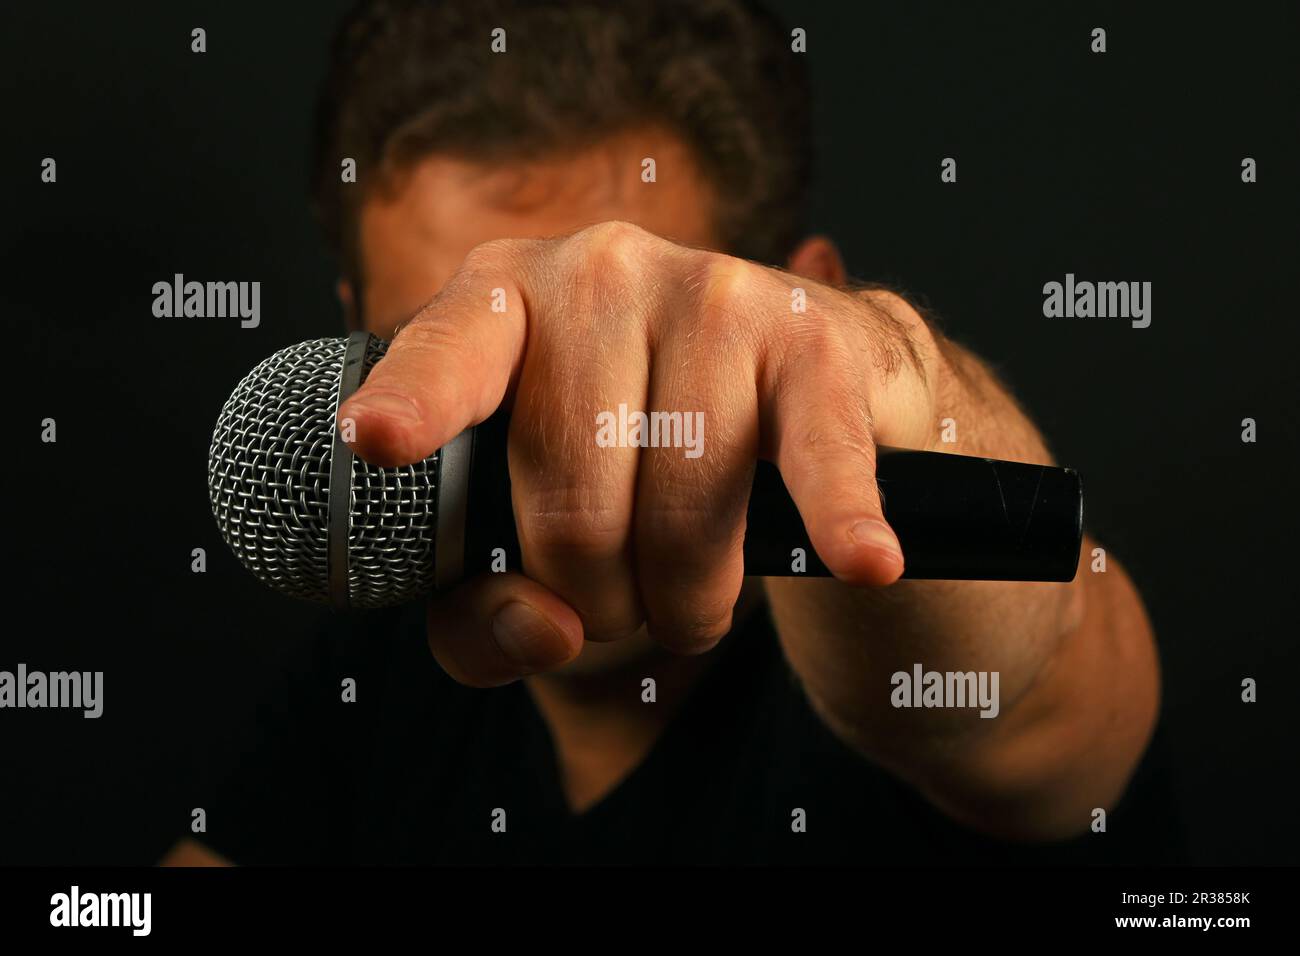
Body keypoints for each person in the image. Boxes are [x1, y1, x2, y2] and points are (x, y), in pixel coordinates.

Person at [163, 0, 1179, 865]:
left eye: (629, 329)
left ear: (806, 295)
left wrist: (879, 370)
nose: (544, 419)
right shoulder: (365, 681)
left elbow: (1047, 686)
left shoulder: (897, 669)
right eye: (444, 336)